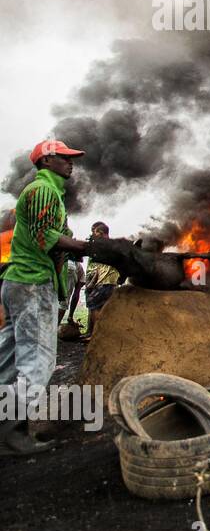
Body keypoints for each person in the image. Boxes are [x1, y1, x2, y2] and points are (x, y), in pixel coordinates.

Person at [0, 140, 90, 455]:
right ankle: (12, 433)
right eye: (65, 158)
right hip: (32, 284)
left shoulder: (48, 192)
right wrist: (84, 247)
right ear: (48, 160)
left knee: (8, 359)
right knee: (38, 361)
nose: (71, 163)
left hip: (19, 283)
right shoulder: (42, 191)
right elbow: (44, 238)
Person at [83, 222, 120, 337]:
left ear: (101, 233)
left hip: (103, 282)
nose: (93, 235)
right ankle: (96, 334)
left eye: (95, 233)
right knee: (100, 307)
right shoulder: (113, 245)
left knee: (95, 307)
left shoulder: (103, 246)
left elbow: (99, 269)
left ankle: (95, 335)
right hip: (108, 282)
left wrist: (92, 281)